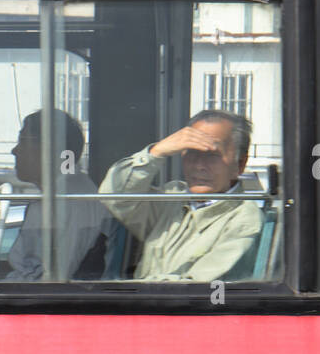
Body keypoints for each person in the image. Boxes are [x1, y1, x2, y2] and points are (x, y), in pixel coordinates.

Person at [99, 110, 263, 281]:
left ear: (240, 164)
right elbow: (113, 195)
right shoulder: (171, 199)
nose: (199, 165)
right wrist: (156, 152)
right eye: (191, 152)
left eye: (212, 156)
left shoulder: (245, 218)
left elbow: (196, 287)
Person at [2, 109, 107, 281]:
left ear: (49, 149)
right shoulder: (76, 189)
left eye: (22, 141)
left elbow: (46, 278)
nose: (14, 151)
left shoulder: (62, 201)